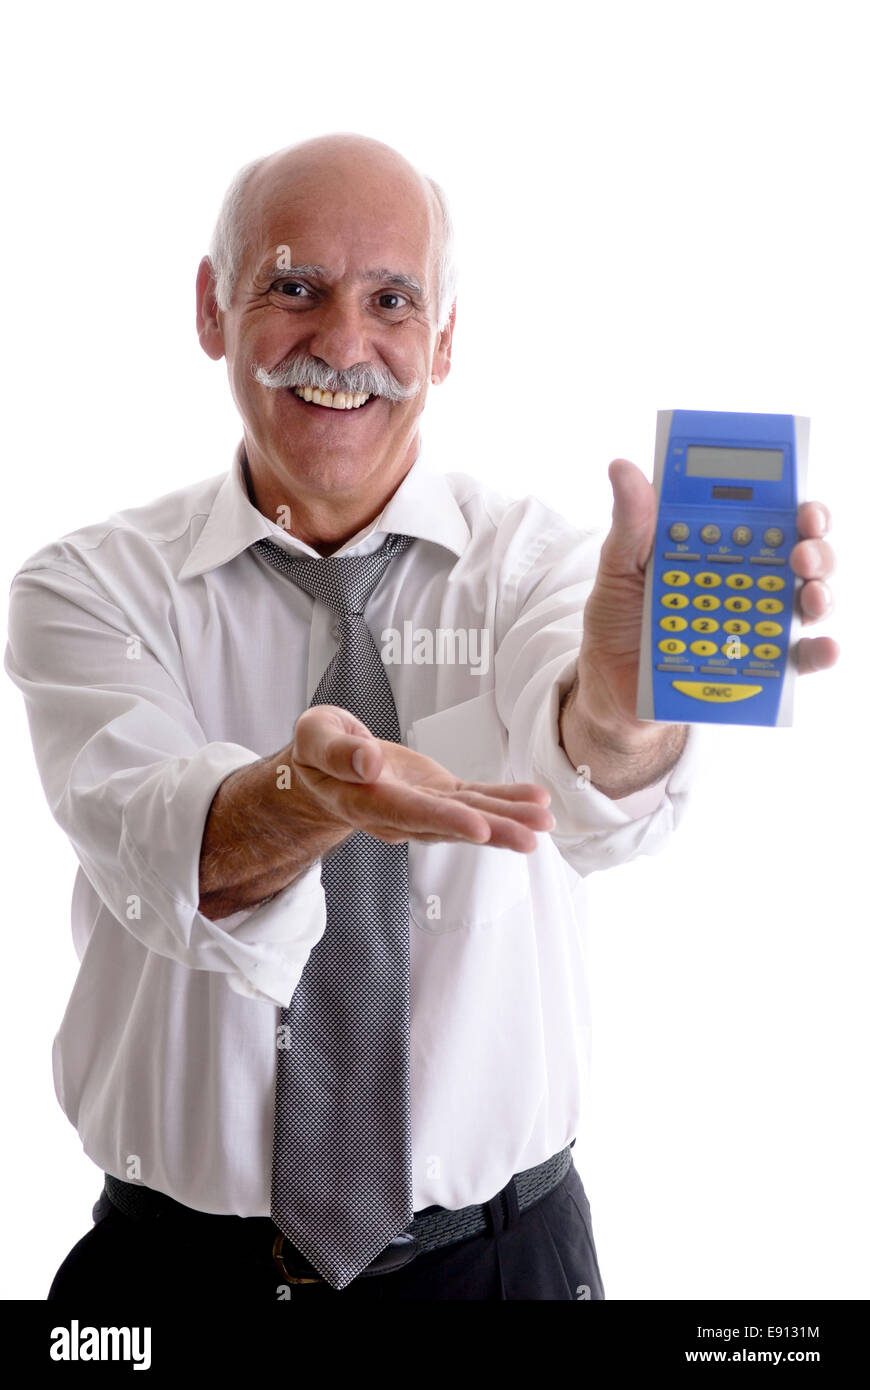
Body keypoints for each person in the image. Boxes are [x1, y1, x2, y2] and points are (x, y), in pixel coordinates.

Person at [4, 133, 838, 1303]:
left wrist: (634, 700)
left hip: (502, 1267)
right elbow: (161, 842)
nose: (344, 344)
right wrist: (308, 799)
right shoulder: (86, 588)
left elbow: (592, 757)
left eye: (391, 299)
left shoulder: (540, 566)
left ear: (443, 338)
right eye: (293, 287)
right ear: (211, 306)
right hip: (172, 1275)